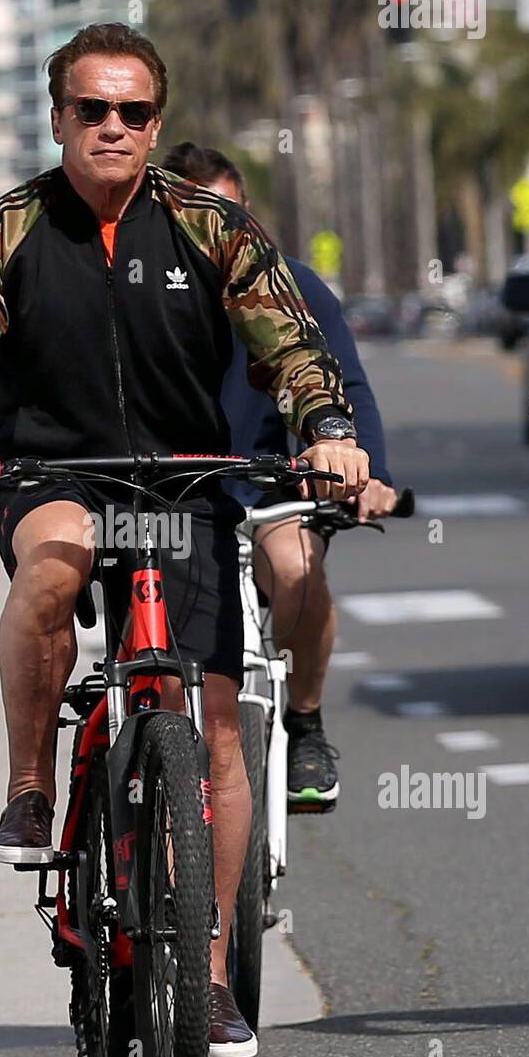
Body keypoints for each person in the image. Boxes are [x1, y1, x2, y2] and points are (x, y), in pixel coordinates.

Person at [0, 23, 369, 1057]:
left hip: (179, 482)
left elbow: (289, 342)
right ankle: (31, 787)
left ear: (156, 122)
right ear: (58, 115)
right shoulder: (7, 228)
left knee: (211, 721)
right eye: (91, 110)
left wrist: (326, 430)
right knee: (56, 560)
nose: (112, 128)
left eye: (134, 112)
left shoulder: (210, 227)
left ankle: (207, 974)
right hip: (50, 475)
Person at [162, 143, 396, 811]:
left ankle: (307, 723)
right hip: (166, 497)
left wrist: (365, 474)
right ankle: (147, 759)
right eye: (196, 218)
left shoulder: (289, 285)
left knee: (296, 568)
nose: (218, 235)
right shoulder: (137, 293)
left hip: (264, 487)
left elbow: (345, 386)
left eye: (231, 216)